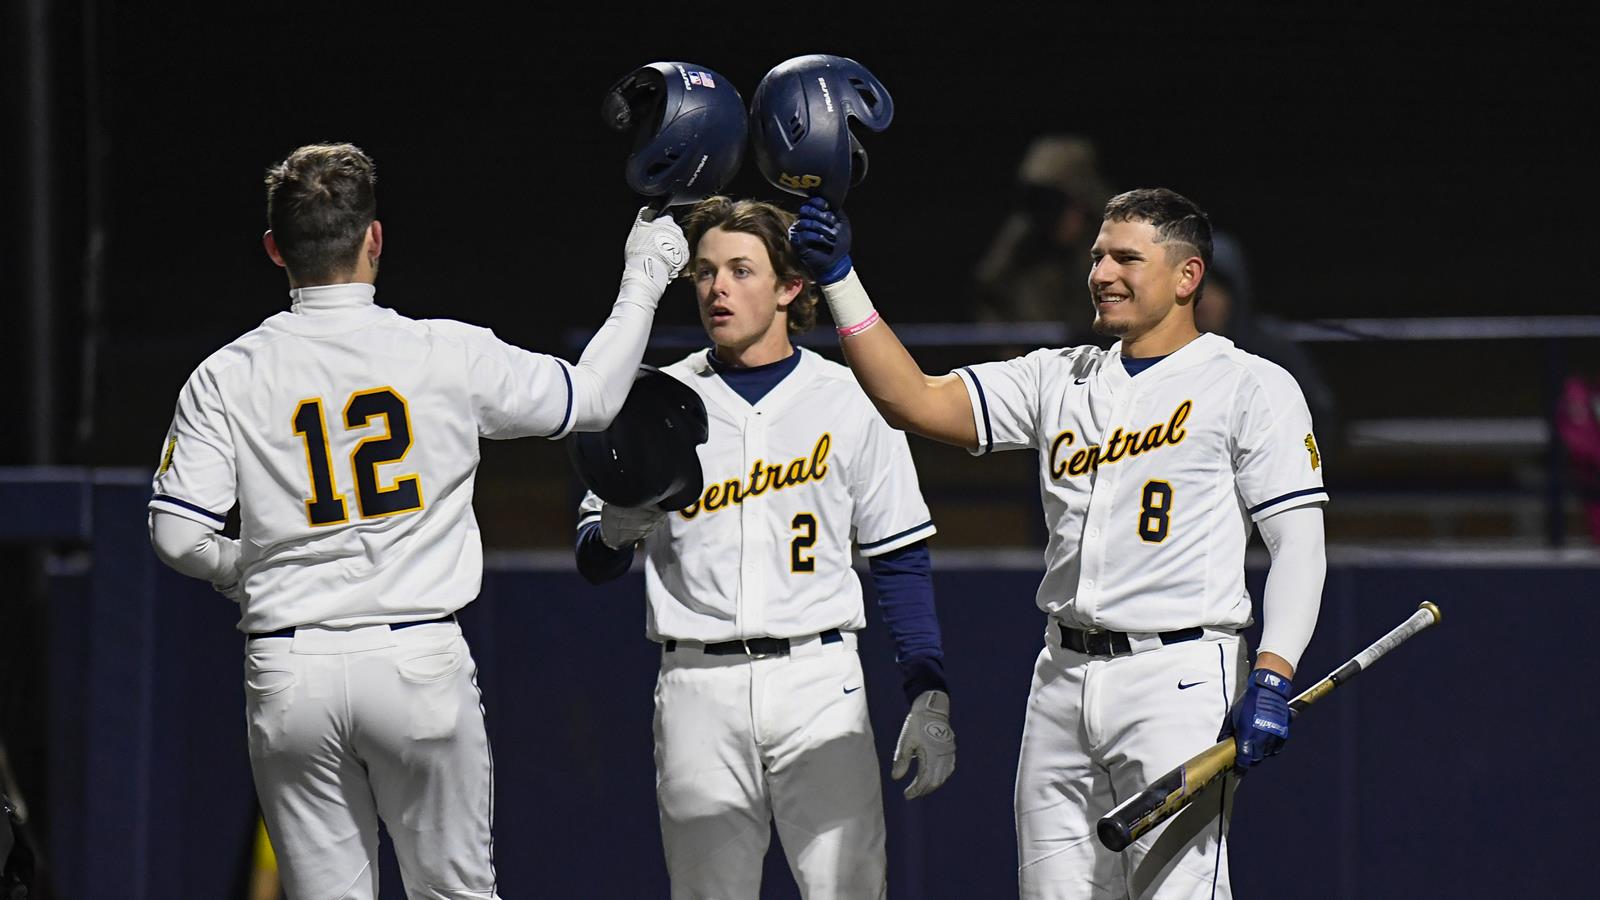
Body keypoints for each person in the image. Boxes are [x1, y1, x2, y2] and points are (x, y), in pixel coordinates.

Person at [147, 142, 687, 900]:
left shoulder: (227, 373)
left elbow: (177, 535)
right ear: (374, 238)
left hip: (289, 666)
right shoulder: (445, 352)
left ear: (276, 249)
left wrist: (244, 568)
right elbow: (595, 398)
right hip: (415, 657)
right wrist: (646, 271)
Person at [790, 188, 1327, 898]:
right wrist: (839, 280)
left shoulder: (1251, 385)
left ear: (1187, 276)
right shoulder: (1059, 374)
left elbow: (1298, 545)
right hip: (1060, 675)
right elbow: (912, 399)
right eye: (1098, 255)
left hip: (1180, 678)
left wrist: (1272, 672)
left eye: (1127, 257)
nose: (1101, 272)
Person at [573, 195, 956, 899]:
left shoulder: (852, 396)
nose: (718, 287)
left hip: (820, 682)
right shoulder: (654, 398)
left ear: (790, 287)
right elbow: (593, 559)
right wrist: (613, 534)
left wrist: (926, 686)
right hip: (696, 688)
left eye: (742, 270)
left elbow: (899, 556)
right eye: (706, 271)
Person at [1198, 231, 1340, 452]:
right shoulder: (1163, 354)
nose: (1205, 300)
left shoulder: (1273, 351)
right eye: (1196, 289)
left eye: (1216, 289)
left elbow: (1318, 422)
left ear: (1236, 293)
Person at [973, 135, 1114, 342]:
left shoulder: (1113, 226)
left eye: (1057, 199)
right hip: (1038, 348)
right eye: (1043, 200)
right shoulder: (1024, 233)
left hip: (1099, 343)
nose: (1049, 209)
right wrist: (1004, 343)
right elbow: (988, 287)